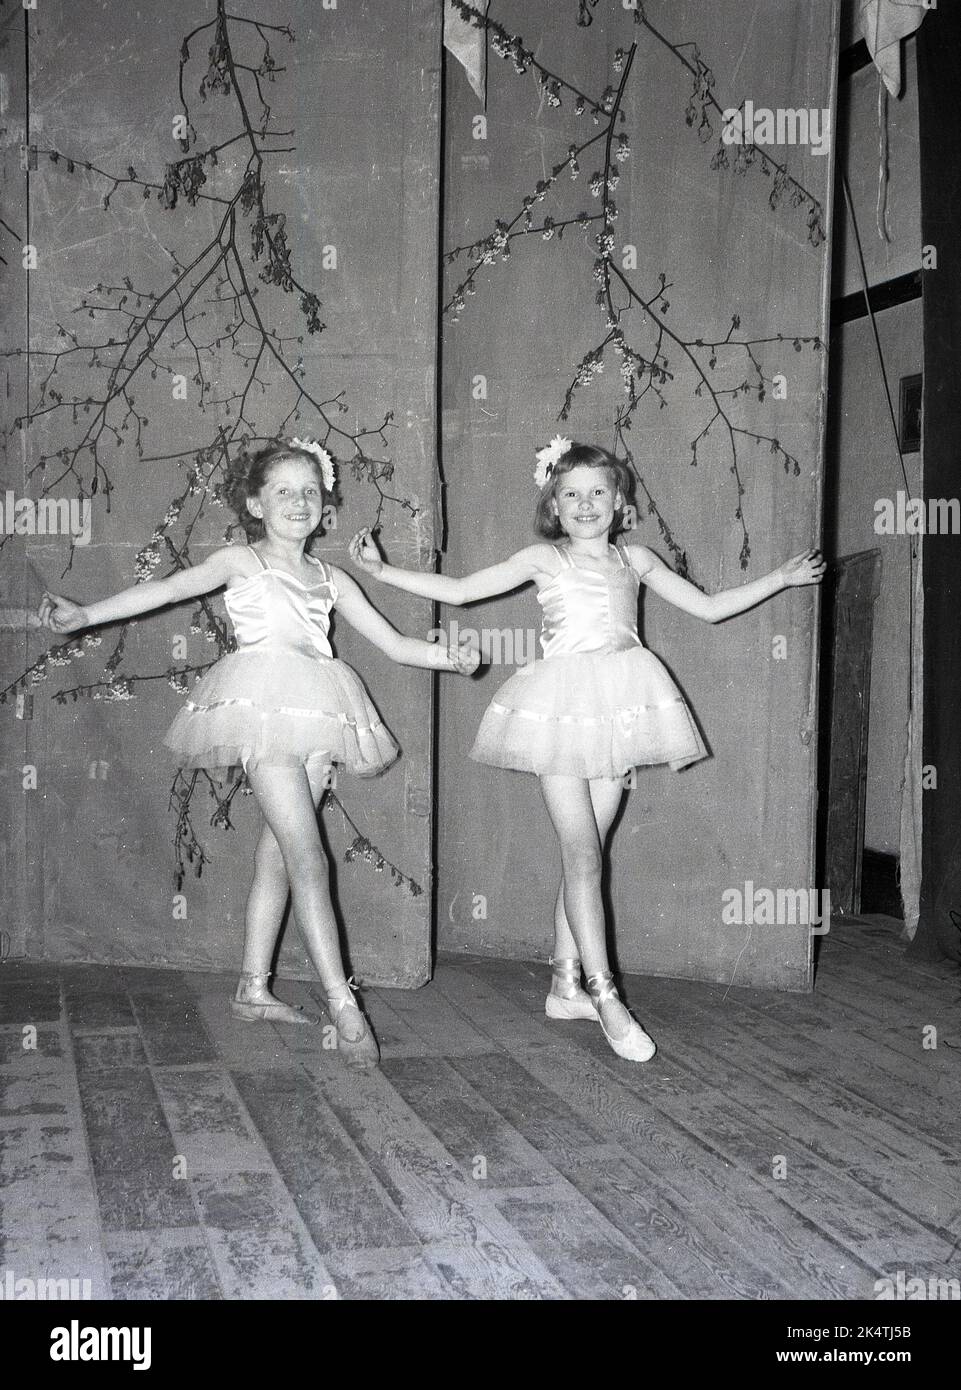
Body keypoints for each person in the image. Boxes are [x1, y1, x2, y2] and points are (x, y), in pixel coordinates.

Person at [350, 437, 825, 1062]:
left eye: (598, 492)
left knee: (587, 855)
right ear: (554, 503)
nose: (586, 504)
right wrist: (383, 572)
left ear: (619, 501)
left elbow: (709, 609)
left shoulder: (639, 560)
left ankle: (563, 984)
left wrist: (782, 578)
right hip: (558, 710)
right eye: (571, 494)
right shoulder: (545, 559)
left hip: (620, 709)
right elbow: (462, 590)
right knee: (582, 859)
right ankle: (605, 996)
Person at [40, 438, 477, 1069]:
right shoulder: (240, 562)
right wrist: (85, 615)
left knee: (278, 858)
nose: (300, 502)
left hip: (320, 714)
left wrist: (449, 656)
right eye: (284, 491)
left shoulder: (332, 577)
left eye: (310, 491)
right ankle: (343, 1003)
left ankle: (252, 989)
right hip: (259, 711)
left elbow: (396, 644)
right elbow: (165, 592)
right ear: (256, 503)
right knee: (307, 854)